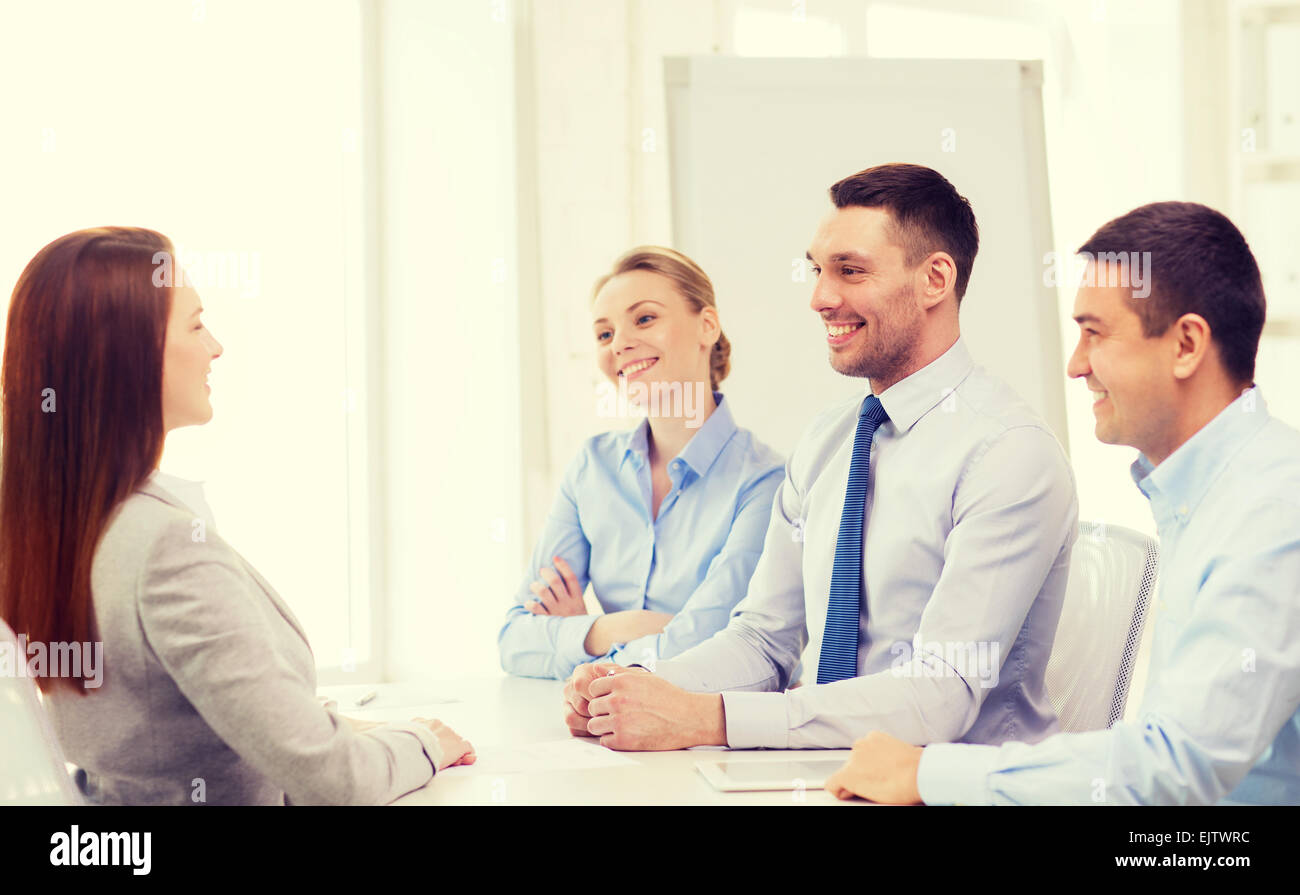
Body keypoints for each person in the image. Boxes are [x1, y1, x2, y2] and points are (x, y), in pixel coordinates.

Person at [563, 163, 1079, 751]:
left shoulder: (1007, 453)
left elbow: (941, 697)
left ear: (936, 279)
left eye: (850, 271)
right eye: (817, 270)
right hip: (821, 771)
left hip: (956, 786)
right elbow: (763, 639)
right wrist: (635, 688)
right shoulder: (826, 442)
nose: (820, 298)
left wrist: (706, 719)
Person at [824, 201, 1300, 805]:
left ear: (1185, 344)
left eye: (1095, 333)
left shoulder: (1273, 509)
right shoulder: (1209, 494)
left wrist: (925, 776)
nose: (1076, 365)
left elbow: (1180, 767)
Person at [0, 227, 474, 805]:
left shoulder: (51, 525)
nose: (216, 347)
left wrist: (318, 727)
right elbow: (337, 780)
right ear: (130, 353)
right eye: (196, 325)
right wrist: (422, 742)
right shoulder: (163, 548)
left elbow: (156, 723)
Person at [498, 247, 783, 680]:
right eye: (604, 334)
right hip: (605, 735)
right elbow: (515, 640)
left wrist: (577, 634)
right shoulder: (592, 467)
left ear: (707, 326)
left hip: (716, 741)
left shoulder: (766, 482)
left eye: (645, 318)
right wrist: (616, 627)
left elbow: (712, 650)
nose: (621, 344)